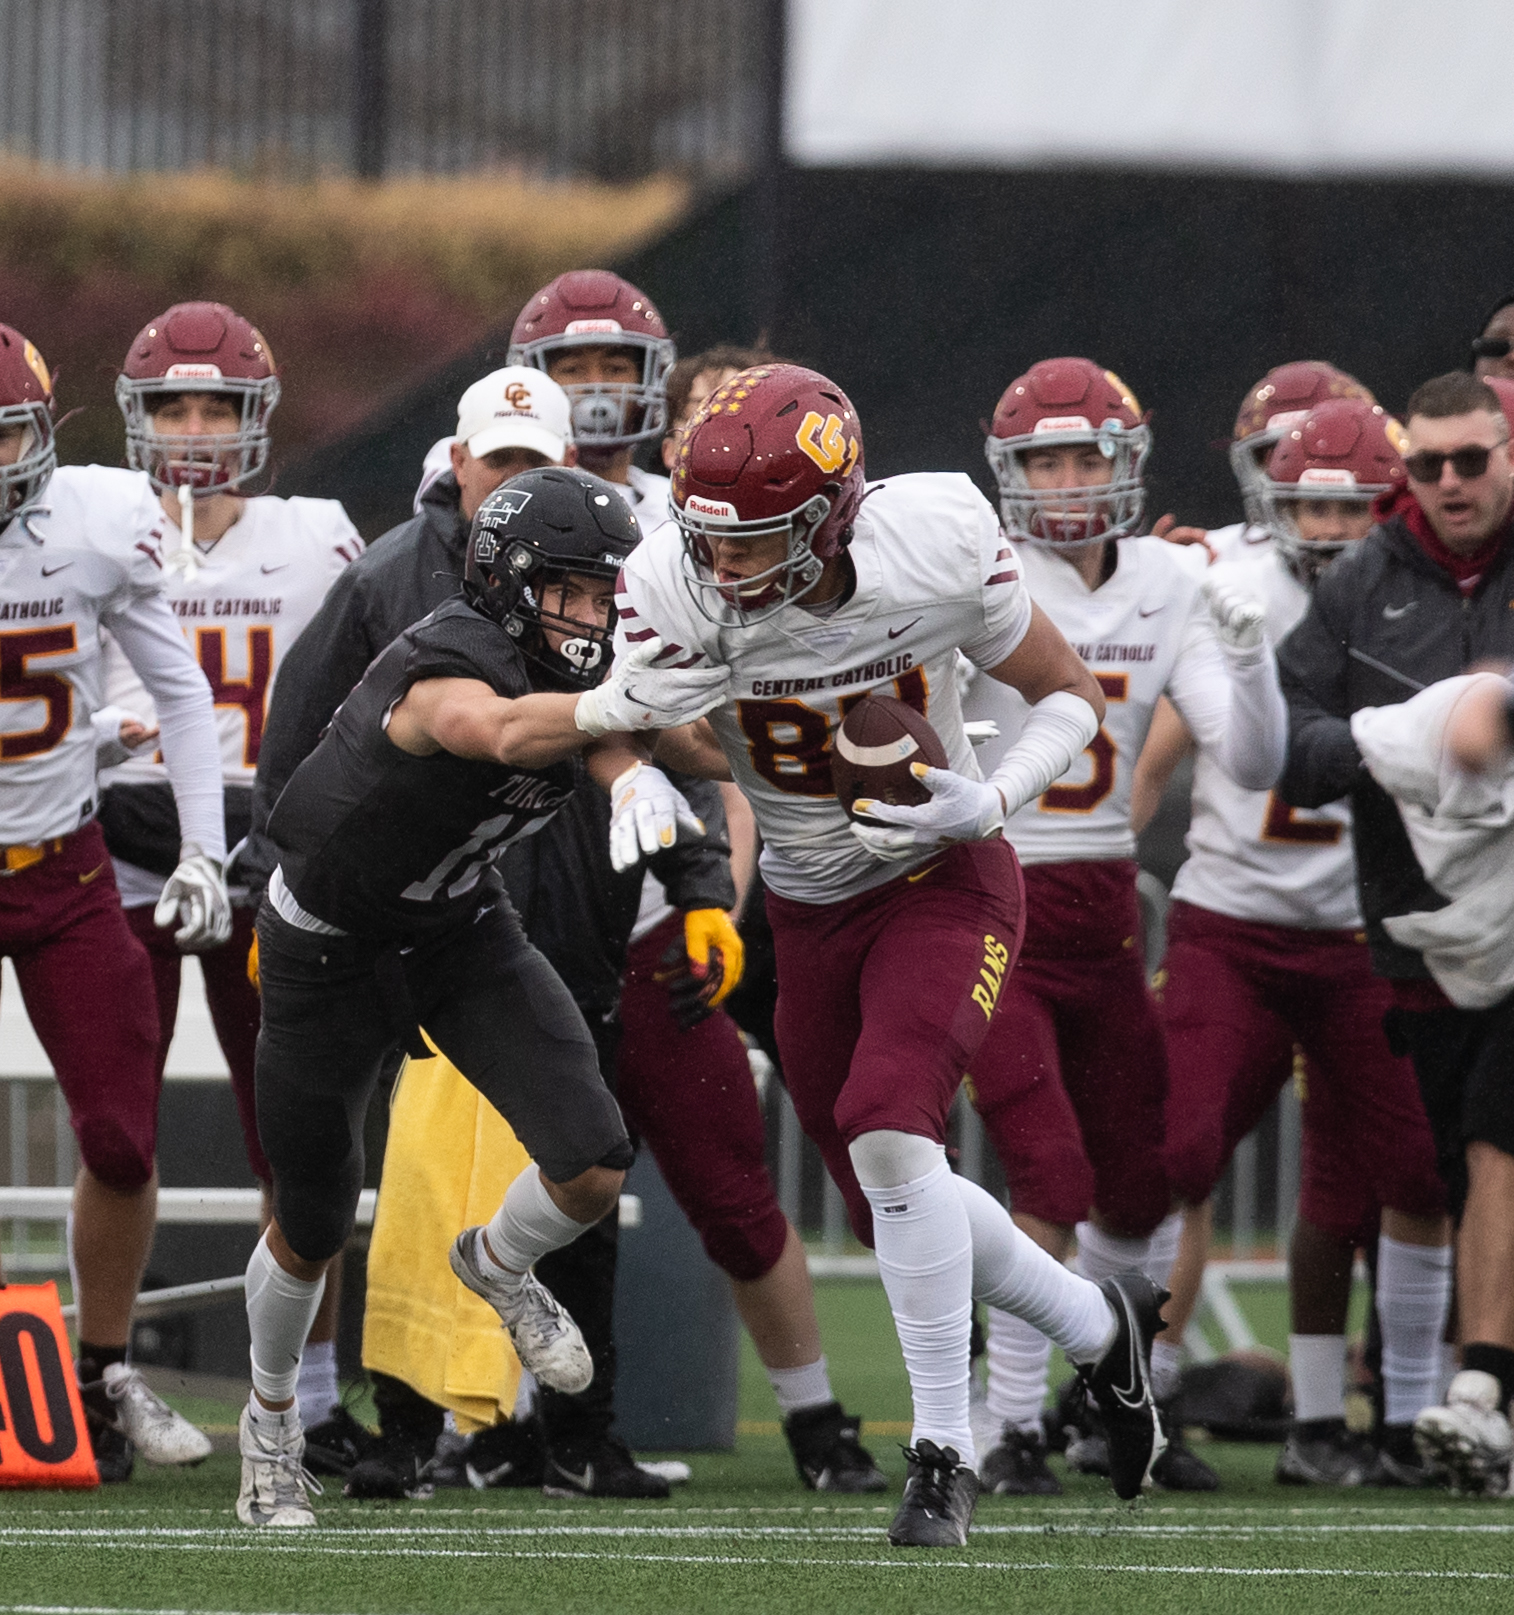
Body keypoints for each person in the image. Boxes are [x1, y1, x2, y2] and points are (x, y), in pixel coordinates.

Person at [597, 360, 1168, 1549]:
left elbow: (1068, 697)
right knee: (885, 1198)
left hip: (938, 876)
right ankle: (1102, 1330)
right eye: (709, 537)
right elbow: (635, 716)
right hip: (803, 910)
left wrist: (991, 798)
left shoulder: (939, 539)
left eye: (756, 538)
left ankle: (941, 1454)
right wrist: (648, 743)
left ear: (833, 514)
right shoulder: (672, 580)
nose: (723, 563)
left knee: (886, 1119)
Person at [235, 465, 721, 1528]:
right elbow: (501, 730)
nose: (595, 618)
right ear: (508, 583)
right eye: (574, 593)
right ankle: (270, 1427)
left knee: (592, 1160)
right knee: (313, 1219)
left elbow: (654, 725)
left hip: (455, 925)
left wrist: (736, 735)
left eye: (608, 595)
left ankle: (496, 1264)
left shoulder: (580, 659)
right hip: (328, 947)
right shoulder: (446, 660)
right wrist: (624, 740)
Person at [958, 357, 1287, 1496]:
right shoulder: (979, 571)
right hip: (991, 900)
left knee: (1140, 1187)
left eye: (1078, 456)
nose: (1058, 480)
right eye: (1038, 459)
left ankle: (1105, 1404)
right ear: (1007, 472)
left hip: (1101, 912)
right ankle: (997, 1428)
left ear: (1124, 462)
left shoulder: (1167, 577)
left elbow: (1247, 758)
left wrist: (1247, 661)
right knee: (1047, 1170)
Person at [1132, 397, 1452, 1488]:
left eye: (1350, 510)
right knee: (1170, 1152)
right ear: (1269, 501)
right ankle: (1126, 1390)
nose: (1324, 531)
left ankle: (1393, 1420)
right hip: (1233, 919)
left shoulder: (1429, 588)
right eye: (1305, 507)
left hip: (1370, 929)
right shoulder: (1221, 572)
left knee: (1405, 1171)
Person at [1277, 370, 1514, 1496]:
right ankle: (1463, 1408)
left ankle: (1478, 1387)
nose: (1451, 483)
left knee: (1493, 1136)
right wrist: (1399, 741)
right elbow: (1294, 739)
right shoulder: (1363, 580)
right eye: (1427, 465)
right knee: (1448, 1169)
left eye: (1471, 459)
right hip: (1423, 923)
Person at [0, 321, 228, 1479]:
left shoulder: (92, 521)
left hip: (66, 866)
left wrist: (204, 848)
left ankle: (100, 1372)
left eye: (5, 436)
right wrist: (86, 730)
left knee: (123, 1140)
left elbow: (183, 690)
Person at [98, 299, 362, 1228]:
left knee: (292, 1141)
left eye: (218, 407)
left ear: (257, 413)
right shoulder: (98, 527)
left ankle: (308, 1375)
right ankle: (107, 1361)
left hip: (271, 853)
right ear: (141, 417)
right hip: (125, 848)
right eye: (175, 411)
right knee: (115, 1132)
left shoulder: (317, 536)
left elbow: (363, 695)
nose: (197, 431)